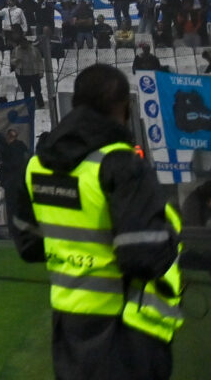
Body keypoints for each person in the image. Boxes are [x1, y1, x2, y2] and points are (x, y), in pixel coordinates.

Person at [14, 64, 184, 380]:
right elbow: (142, 256)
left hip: (68, 325)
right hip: (123, 329)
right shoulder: (120, 163)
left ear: (76, 102)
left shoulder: (37, 165)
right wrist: (171, 235)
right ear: (125, 107)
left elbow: (29, 246)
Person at [0, 123, 30, 233]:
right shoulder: (5, 147)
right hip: (10, 180)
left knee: (17, 205)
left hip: (17, 179)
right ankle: (14, 229)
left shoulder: (19, 146)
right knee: (11, 206)